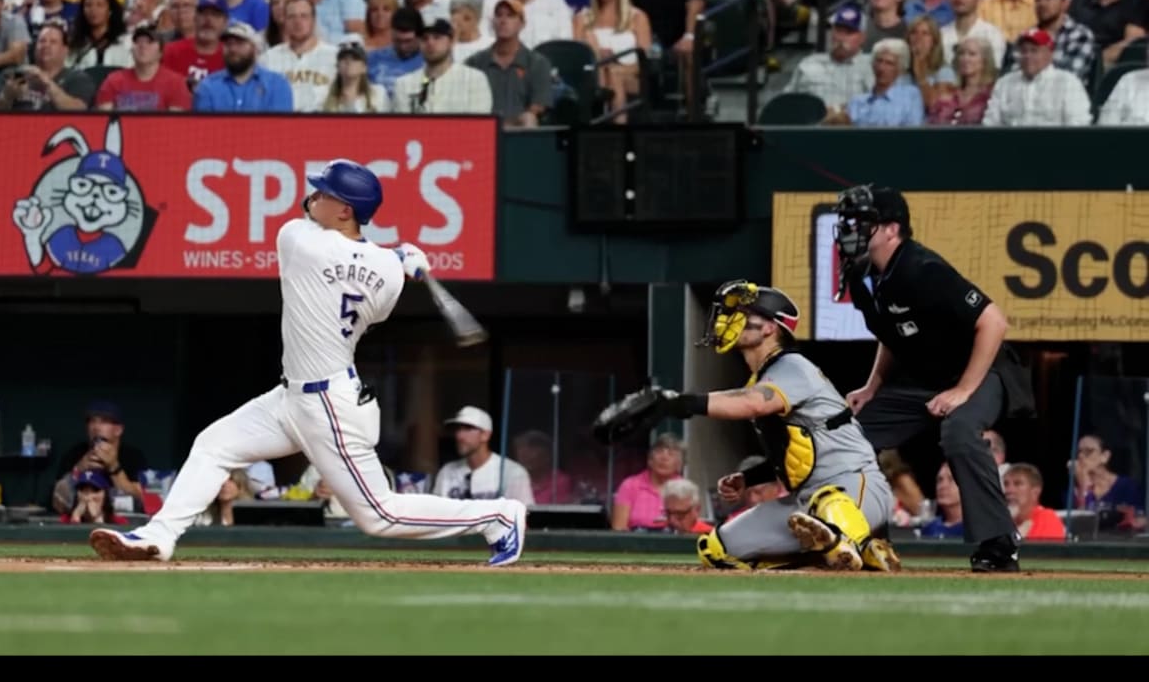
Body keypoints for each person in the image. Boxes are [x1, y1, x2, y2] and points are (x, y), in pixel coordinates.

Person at [89, 160, 528, 566]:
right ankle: (159, 536)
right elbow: (368, 278)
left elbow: (319, 231)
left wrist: (394, 253)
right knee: (213, 445)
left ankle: (499, 516)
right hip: (292, 396)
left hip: (328, 404)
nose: (313, 197)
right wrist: (400, 257)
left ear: (345, 210)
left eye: (324, 193)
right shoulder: (391, 277)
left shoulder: (298, 241)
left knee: (380, 515)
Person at [591, 280, 900, 572]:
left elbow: (752, 402)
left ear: (769, 327)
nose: (730, 319)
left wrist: (676, 402)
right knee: (717, 549)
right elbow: (799, 449)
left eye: (742, 314)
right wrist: (750, 477)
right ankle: (840, 550)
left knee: (828, 500)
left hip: (854, 486)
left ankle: (855, 542)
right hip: (805, 501)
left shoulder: (792, 365)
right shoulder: (762, 379)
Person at [833, 184, 1034, 573]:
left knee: (959, 431)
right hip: (924, 379)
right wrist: (873, 386)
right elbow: (891, 334)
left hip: (982, 370)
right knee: (849, 433)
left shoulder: (923, 269)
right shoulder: (862, 275)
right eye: (848, 221)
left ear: (891, 230)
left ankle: (999, 543)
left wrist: (962, 390)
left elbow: (994, 322)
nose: (849, 229)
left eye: (861, 222)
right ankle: (866, 534)